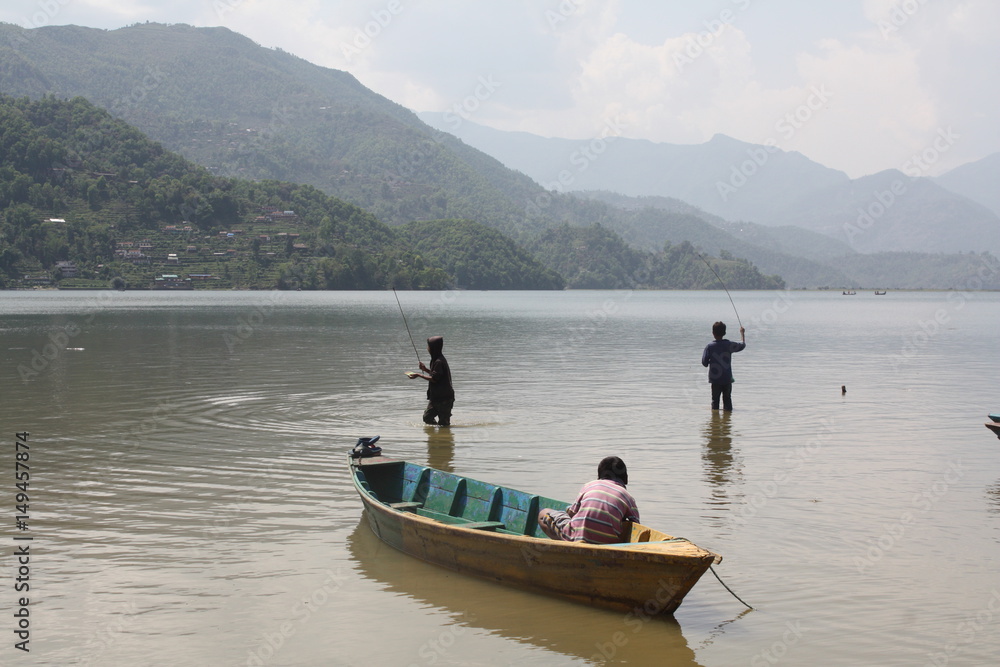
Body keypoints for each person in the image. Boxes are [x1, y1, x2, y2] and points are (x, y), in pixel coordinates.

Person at [537, 456, 639, 544]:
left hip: (577, 538)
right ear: (626, 479)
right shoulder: (629, 498)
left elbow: (571, 514)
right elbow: (636, 528)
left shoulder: (590, 485)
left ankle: (566, 544)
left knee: (543, 514)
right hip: (610, 544)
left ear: (599, 477)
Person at [409, 335, 454, 426]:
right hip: (435, 397)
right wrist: (425, 369)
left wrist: (419, 374)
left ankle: (443, 436)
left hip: (445, 398)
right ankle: (436, 437)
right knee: (427, 417)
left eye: (428, 346)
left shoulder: (439, 361)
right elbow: (436, 375)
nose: (427, 348)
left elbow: (434, 379)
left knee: (444, 424)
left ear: (433, 348)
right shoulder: (435, 360)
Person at [701, 321, 746, 411]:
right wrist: (742, 334)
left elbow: (704, 363)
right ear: (724, 333)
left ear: (713, 333)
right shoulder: (729, 345)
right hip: (727, 379)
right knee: (727, 400)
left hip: (715, 379)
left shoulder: (709, 346)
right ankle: (727, 422)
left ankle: (715, 422)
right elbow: (743, 345)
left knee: (715, 401)